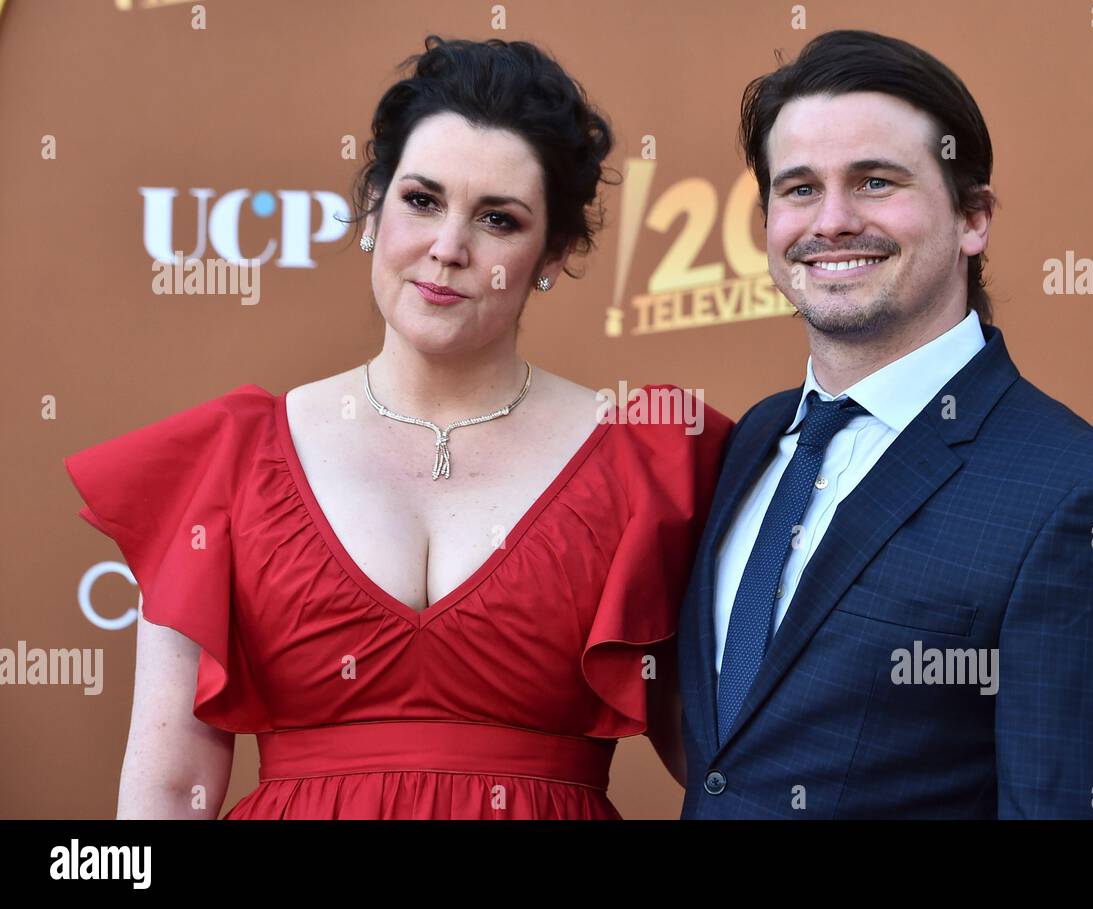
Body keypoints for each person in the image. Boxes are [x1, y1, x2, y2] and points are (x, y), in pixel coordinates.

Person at [65, 35, 730, 820]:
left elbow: (728, 768)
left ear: (553, 252)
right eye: (422, 200)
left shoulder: (651, 460)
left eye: (498, 219)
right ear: (372, 211)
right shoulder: (225, 461)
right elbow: (170, 794)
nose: (448, 248)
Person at [676, 30, 1093, 819]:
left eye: (876, 181)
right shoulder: (754, 442)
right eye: (801, 188)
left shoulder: (1084, 500)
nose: (833, 220)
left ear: (973, 217)